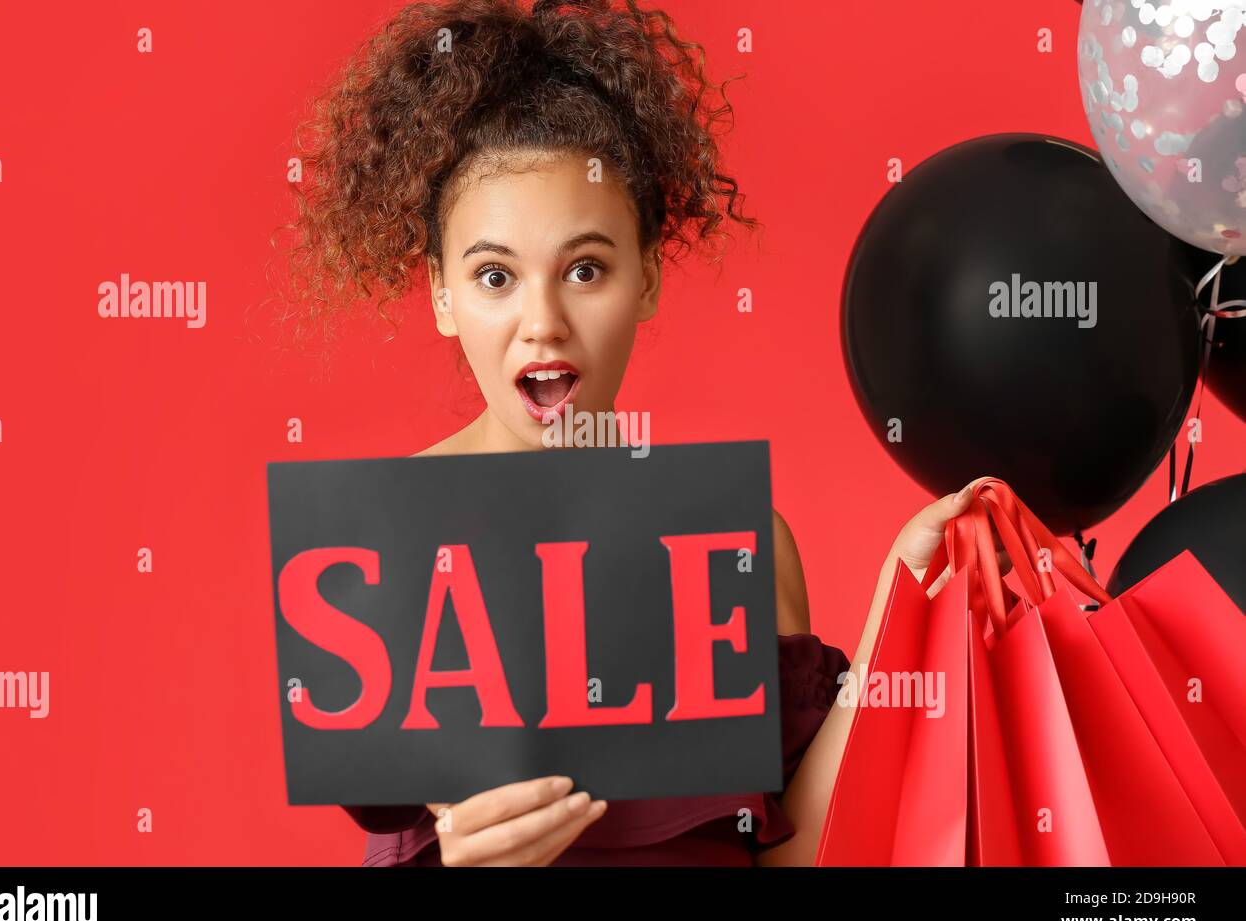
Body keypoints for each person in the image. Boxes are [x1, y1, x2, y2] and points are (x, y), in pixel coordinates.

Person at [275, 0, 985, 865]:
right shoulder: (381, 550)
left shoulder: (742, 544)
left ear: (645, 280)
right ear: (440, 294)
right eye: (495, 274)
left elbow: (797, 856)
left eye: (585, 268)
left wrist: (894, 613)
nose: (543, 322)